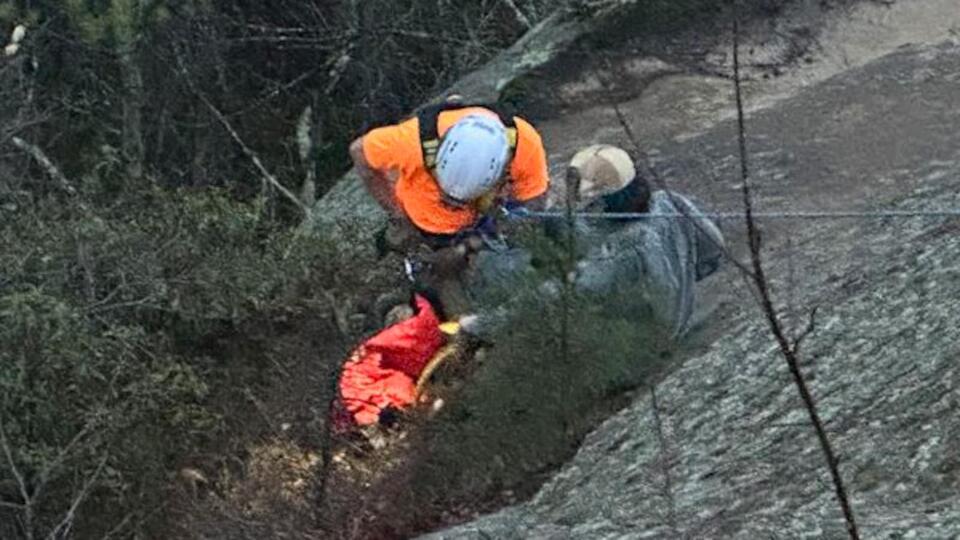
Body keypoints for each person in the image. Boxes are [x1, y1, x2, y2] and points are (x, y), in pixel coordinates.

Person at [349, 97, 550, 317]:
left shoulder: (525, 146)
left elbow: (532, 210)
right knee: (435, 302)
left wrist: (472, 245)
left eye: (463, 200)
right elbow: (359, 152)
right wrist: (397, 215)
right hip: (423, 227)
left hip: (489, 225)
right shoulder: (412, 141)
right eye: (445, 194)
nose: (453, 205)